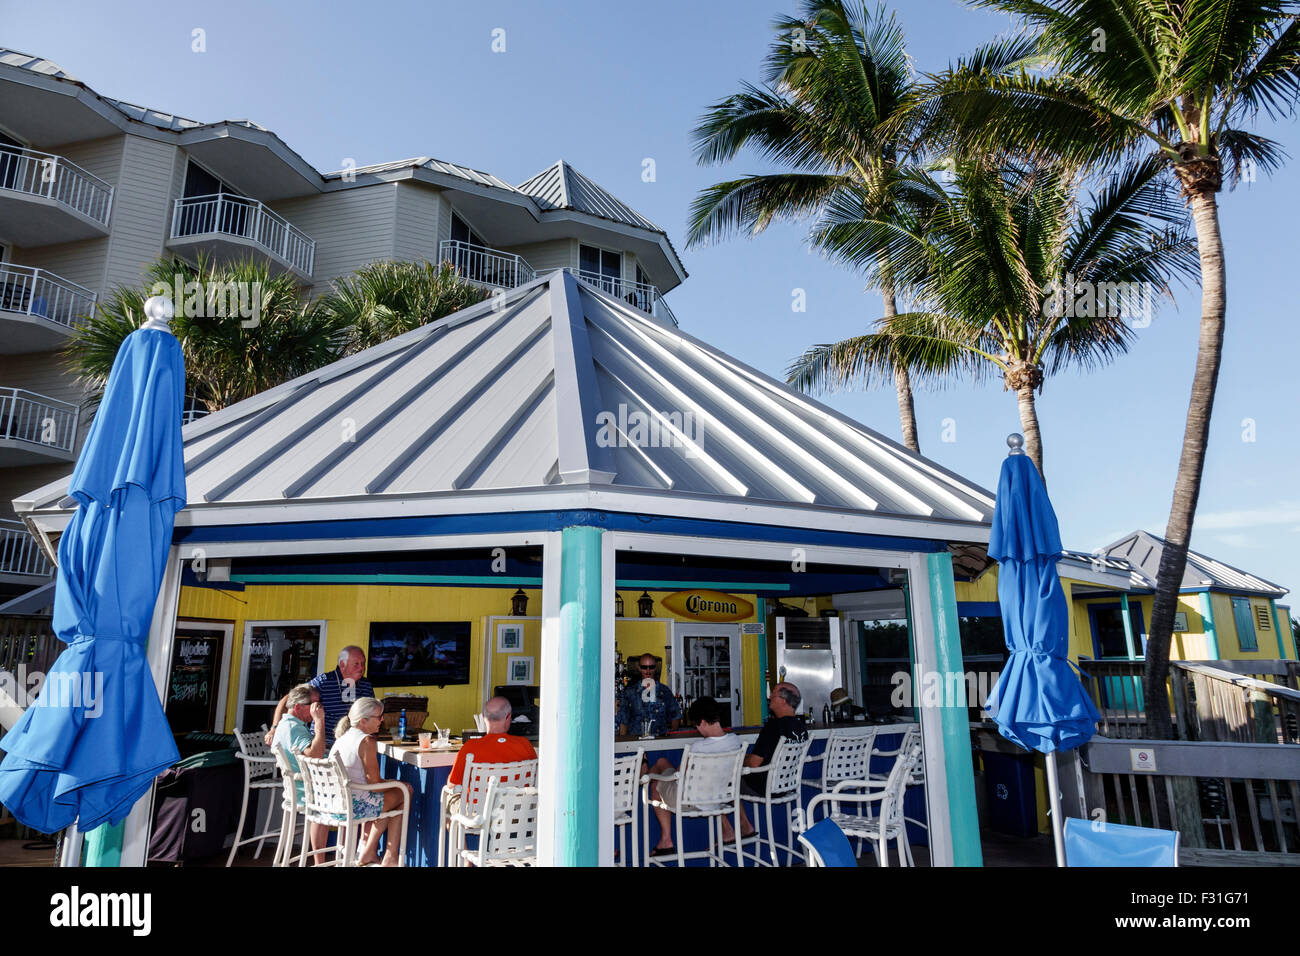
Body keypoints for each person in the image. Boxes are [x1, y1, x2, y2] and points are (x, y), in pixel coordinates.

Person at [646, 697, 754, 857]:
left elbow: (679, 776)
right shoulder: (734, 741)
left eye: (697, 725)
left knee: (655, 783)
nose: (698, 730)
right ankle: (727, 830)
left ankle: (666, 840)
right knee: (663, 764)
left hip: (691, 801)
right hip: (718, 797)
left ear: (703, 722)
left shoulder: (698, 747)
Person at [330, 697, 413, 867]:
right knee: (406, 792)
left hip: (336, 802)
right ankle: (389, 856)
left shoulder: (341, 739)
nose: (382, 720)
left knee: (395, 796)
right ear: (363, 721)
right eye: (378, 717)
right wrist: (396, 783)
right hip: (356, 805)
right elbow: (375, 786)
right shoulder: (366, 741)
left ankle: (371, 852)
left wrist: (392, 784)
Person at [265, 646, 373, 751]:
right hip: (326, 747)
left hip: (356, 744)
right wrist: (274, 729)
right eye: (356, 664)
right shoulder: (323, 682)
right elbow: (288, 699)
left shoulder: (366, 685)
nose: (361, 668)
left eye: (363, 663)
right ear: (342, 665)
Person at [271, 683, 327, 863]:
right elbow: (315, 755)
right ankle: (324, 861)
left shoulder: (284, 724)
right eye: (313, 705)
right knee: (348, 794)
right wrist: (319, 722)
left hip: (298, 788)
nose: (316, 709)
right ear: (297, 707)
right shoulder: (294, 728)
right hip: (308, 791)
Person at [447, 696, 538, 804]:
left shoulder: (470, 748)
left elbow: (453, 784)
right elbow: (537, 778)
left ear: (484, 717)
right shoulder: (524, 745)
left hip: (478, 815)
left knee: (450, 797)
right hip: (516, 813)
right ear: (508, 717)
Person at [743, 682, 809, 796]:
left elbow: (754, 763)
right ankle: (742, 815)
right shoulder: (802, 729)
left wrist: (739, 759)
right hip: (786, 786)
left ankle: (726, 814)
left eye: (773, 694)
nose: (770, 697)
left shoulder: (773, 727)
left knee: (726, 781)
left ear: (783, 701)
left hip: (763, 786)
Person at [616, 654, 681, 737]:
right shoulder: (630, 692)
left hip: (660, 742)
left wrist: (672, 735)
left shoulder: (664, 691)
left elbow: (675, 715)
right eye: (644, 667)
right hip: (635, 742)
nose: (648, 670)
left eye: (651, 667)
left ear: (655, 668)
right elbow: (623, 721)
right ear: (639, 668)